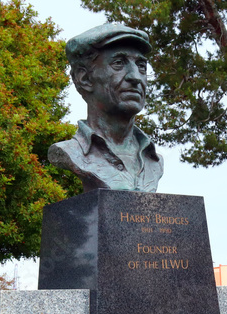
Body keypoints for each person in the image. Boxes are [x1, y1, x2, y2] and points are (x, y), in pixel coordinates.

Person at [48, 24, 163, 192]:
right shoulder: (71, 152)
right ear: (84, 78)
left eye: (141, 66)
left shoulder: (154, 161)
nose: (135, 77)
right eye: (119, 63)